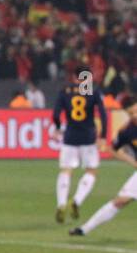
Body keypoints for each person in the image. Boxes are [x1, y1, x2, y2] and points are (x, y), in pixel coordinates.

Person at [71, 93, 137, 236]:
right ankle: (85, 229)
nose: (134, 115)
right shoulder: (126, 131)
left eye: (136, 111)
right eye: (130, 113)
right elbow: (112, 149)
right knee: (120, 201)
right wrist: (133, 162)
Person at [52, 73, 109, 223]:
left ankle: (61, 203)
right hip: (88, 137)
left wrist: (58, 127)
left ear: (74, 77)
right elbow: (103, 114)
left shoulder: (65, 91)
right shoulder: (93, 91)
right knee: (91, 171)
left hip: (70, 137)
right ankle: (77, 200)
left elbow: (56, 114)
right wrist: (103, 135)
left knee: (66, 170)